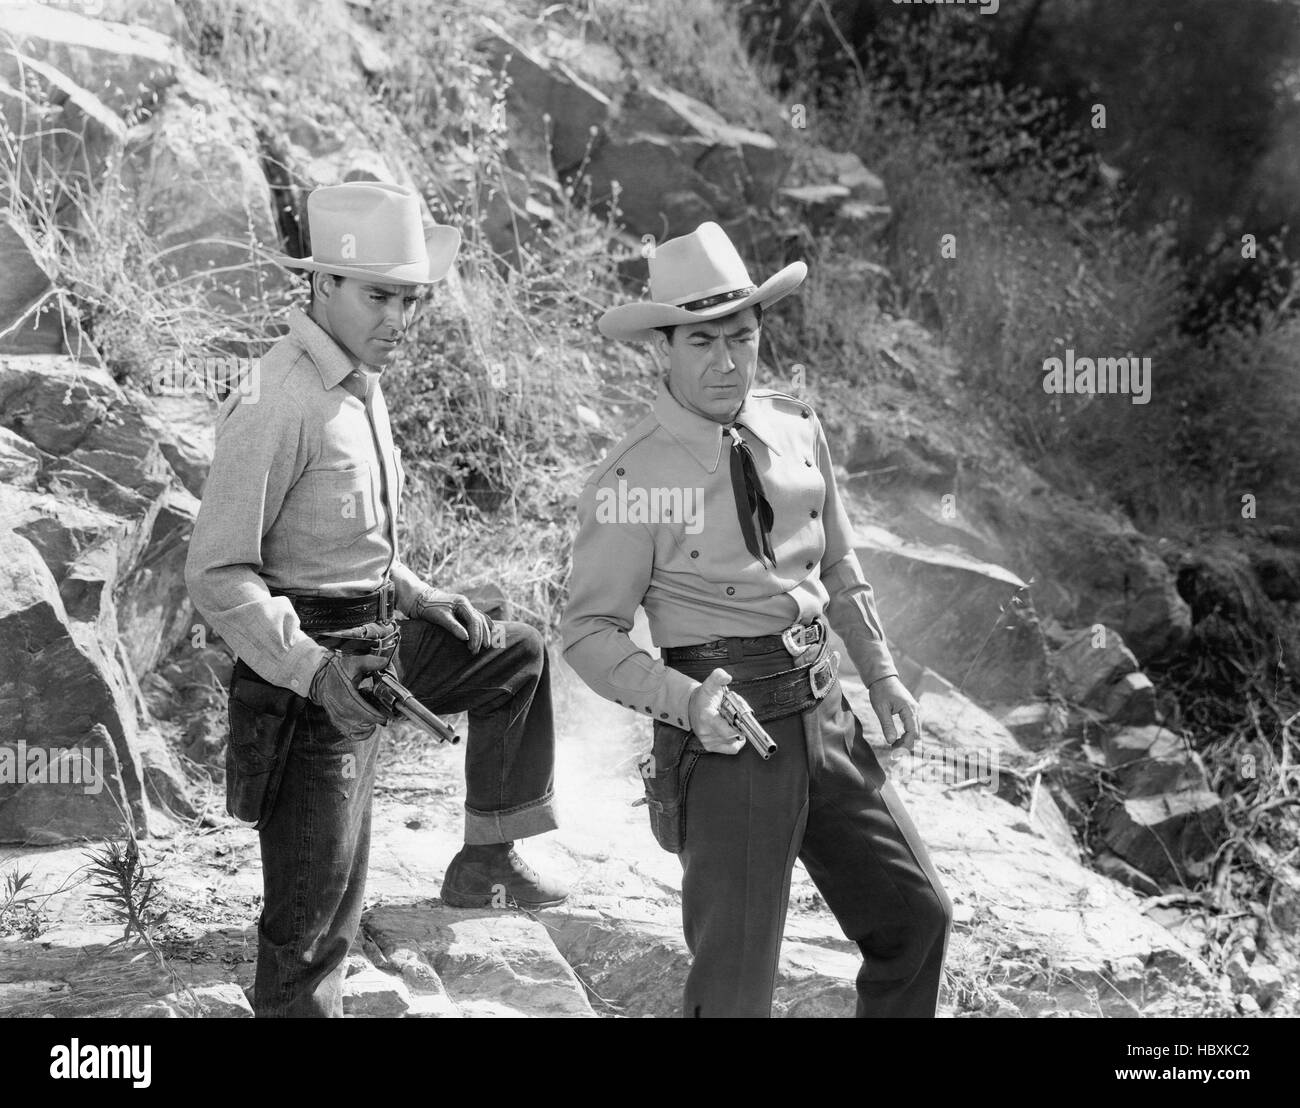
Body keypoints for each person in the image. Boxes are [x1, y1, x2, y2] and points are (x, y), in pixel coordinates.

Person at [186, 181, 567, 1018]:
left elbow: (349, 544)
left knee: (516, 653)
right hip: (308, 683)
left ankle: (489, 860)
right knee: (316, 926)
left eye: (410, 299)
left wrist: (423, 596)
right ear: (322, 285)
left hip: (381, 642)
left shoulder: (362, 379)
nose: (398, 318)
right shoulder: (275, 397)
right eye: (379, 296)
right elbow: (217, 574)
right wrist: (314, 671)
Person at [561, 221, 952, 1018]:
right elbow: (587, 633)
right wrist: (684, 703)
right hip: (730, 736)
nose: (726, 361)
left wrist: (881, 675)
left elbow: (839, 566)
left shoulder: (798, 430)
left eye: (742, 337)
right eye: (702, 342)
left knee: (917, 920)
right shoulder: (632, 478)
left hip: (828, 721)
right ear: (663, 348)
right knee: (735, 989)